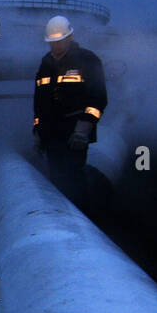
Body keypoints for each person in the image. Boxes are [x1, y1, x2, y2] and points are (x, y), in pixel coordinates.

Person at [32, 15, 107, 210]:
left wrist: (83, 129)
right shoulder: (45, 64)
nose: (56, 46)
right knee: (56, 179)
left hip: (74, 134)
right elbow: (39, 101)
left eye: (59, 40)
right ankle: (62, 215)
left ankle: (82, 219)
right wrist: (38, 131)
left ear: (70, 38)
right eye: (52, 42)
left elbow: (98, 99)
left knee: (74, 179)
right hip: (51, 135)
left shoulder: (87, 60)